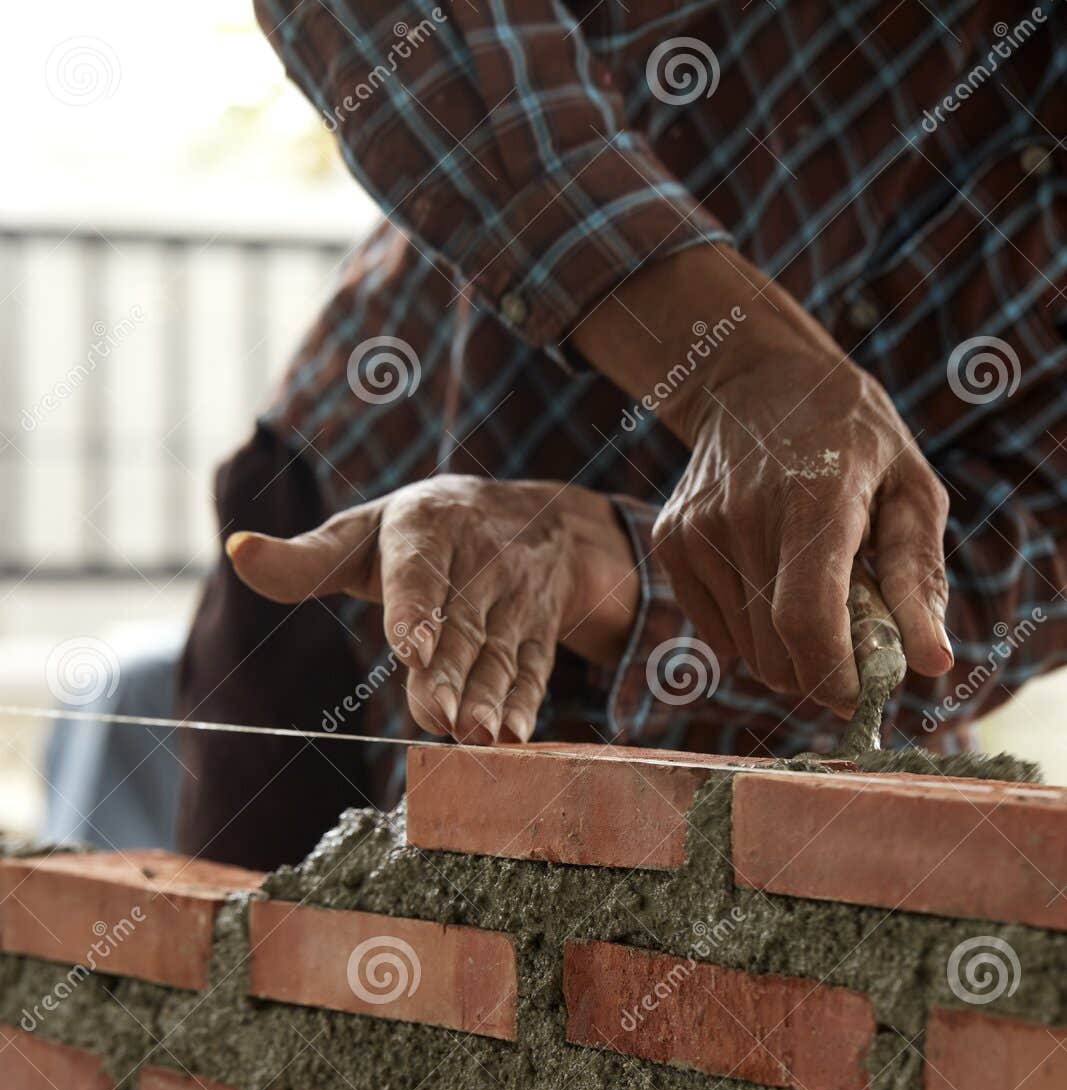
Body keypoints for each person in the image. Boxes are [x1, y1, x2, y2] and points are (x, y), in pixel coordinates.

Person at [177, 1, 1067, 871]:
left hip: (746, 733)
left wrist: (601, 567)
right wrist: (742, 365)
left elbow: (992, 595)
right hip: (359, 517)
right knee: (221, 976)